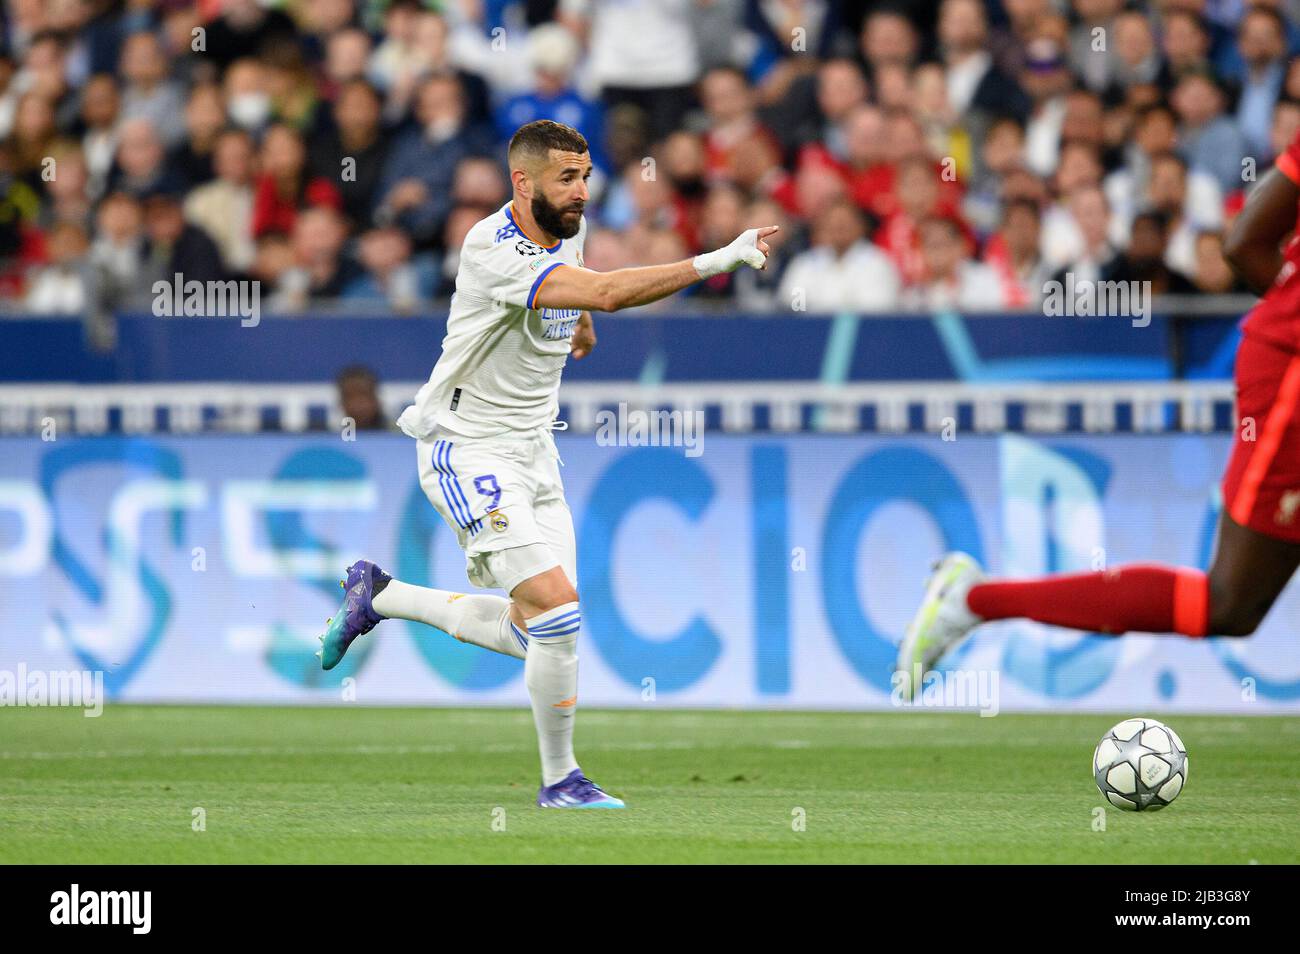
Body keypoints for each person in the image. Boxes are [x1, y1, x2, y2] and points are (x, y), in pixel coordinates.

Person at [315, 120, 776, 807]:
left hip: (535, 451)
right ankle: (561, 782)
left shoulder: (568, 225)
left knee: (546, 629)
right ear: (521, 182)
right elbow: (608, 292)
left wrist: (579, 325)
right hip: (464, 448)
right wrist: (717, 261)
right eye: (567, 178)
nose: (582, 191)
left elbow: (582, 294)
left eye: (587, 176)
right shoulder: (488, 247)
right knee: (557, 612)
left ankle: (379, 596)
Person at [894, 124, 1300, 698]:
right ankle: (975, 600)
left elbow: (1247, 243)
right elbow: (1242, 245)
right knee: (1230, 602)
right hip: (1290, 379)